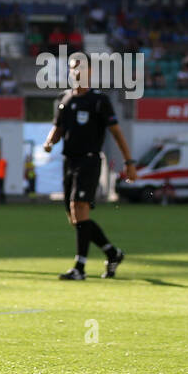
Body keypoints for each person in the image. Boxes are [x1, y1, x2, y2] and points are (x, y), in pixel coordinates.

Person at [41, 55, 137, 280]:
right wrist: (48, 143)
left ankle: (79, 268)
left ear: (90, 71)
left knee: (79, 208)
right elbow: (58, 129)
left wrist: (129, 162)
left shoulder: (99, 100)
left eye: (81, 68)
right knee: (75, 218)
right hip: (69, 161)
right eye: (73, 68)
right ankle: (112, 253)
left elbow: (116, 132)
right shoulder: (64, 99)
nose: (77, 72)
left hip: (90, 160)